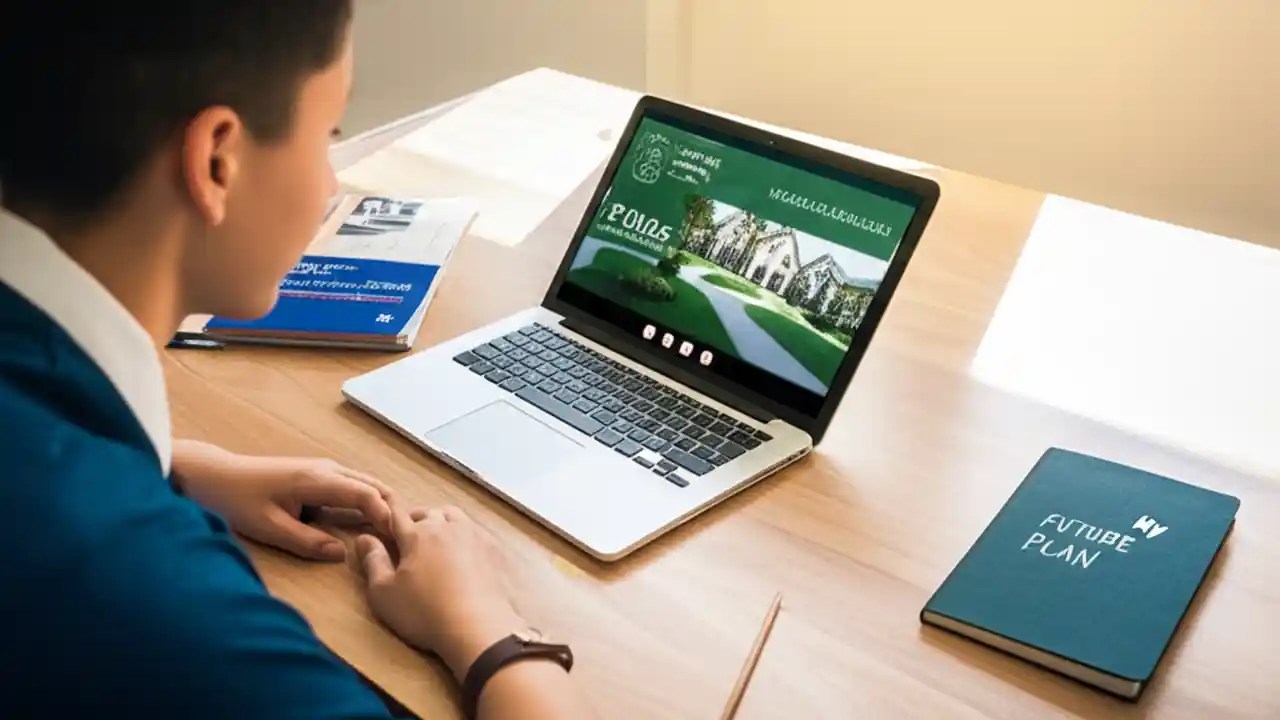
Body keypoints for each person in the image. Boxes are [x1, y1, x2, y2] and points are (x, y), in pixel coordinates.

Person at [0, 3, 593, 718]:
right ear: (217, 161)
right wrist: (489, 625)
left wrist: (181, 467)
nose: (330, 188)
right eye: (328, 137)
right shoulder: (152, 600)